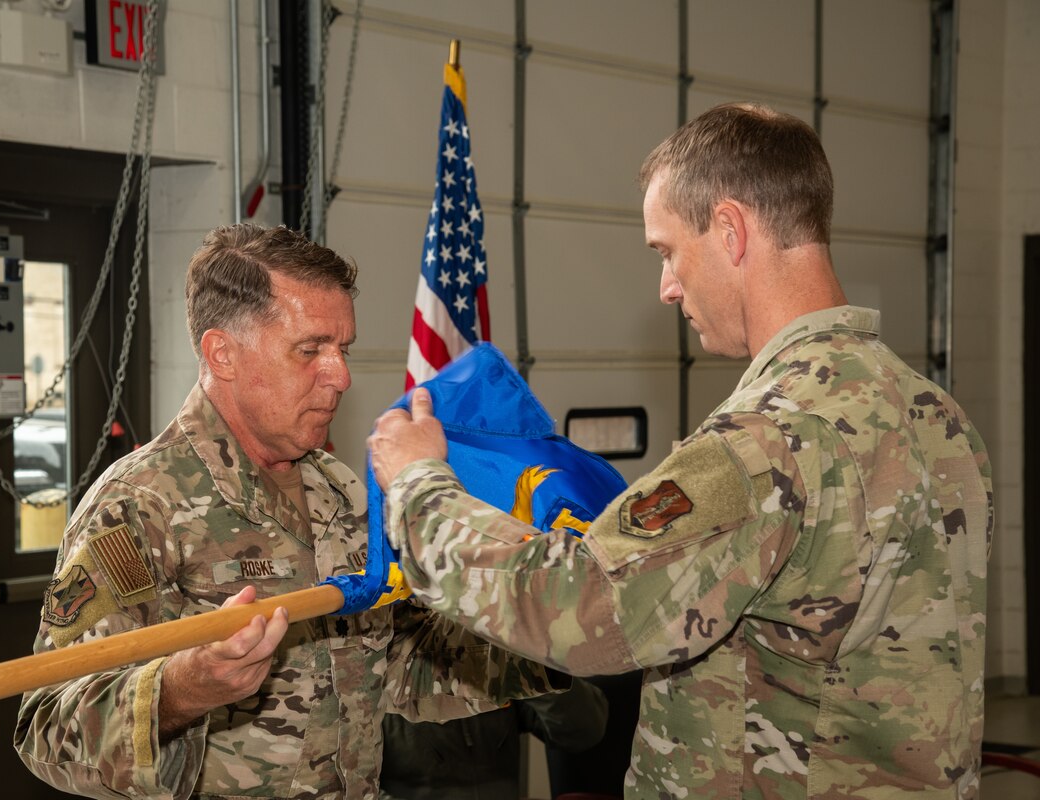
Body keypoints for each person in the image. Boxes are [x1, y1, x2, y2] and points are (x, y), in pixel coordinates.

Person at [367, 102, 993, 799]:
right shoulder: (936, 415)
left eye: (666, 251)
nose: (667, 287)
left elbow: (578, 609)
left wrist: (419, 482)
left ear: (729, 229)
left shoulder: (766, 442)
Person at [14, 223, 561, 799]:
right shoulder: (141, 504)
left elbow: (401, 668)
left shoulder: (340, 488)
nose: (342, 376)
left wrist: (548, 619)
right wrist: (182, 690)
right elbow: (49, 728)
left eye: (342, 349)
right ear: (222, 353)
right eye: (311, 350)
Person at [379, 674, 608, 800]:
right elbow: (351, 788)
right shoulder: (380, 676)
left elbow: (585, 730)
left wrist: (531, 665)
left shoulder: (491, 666)